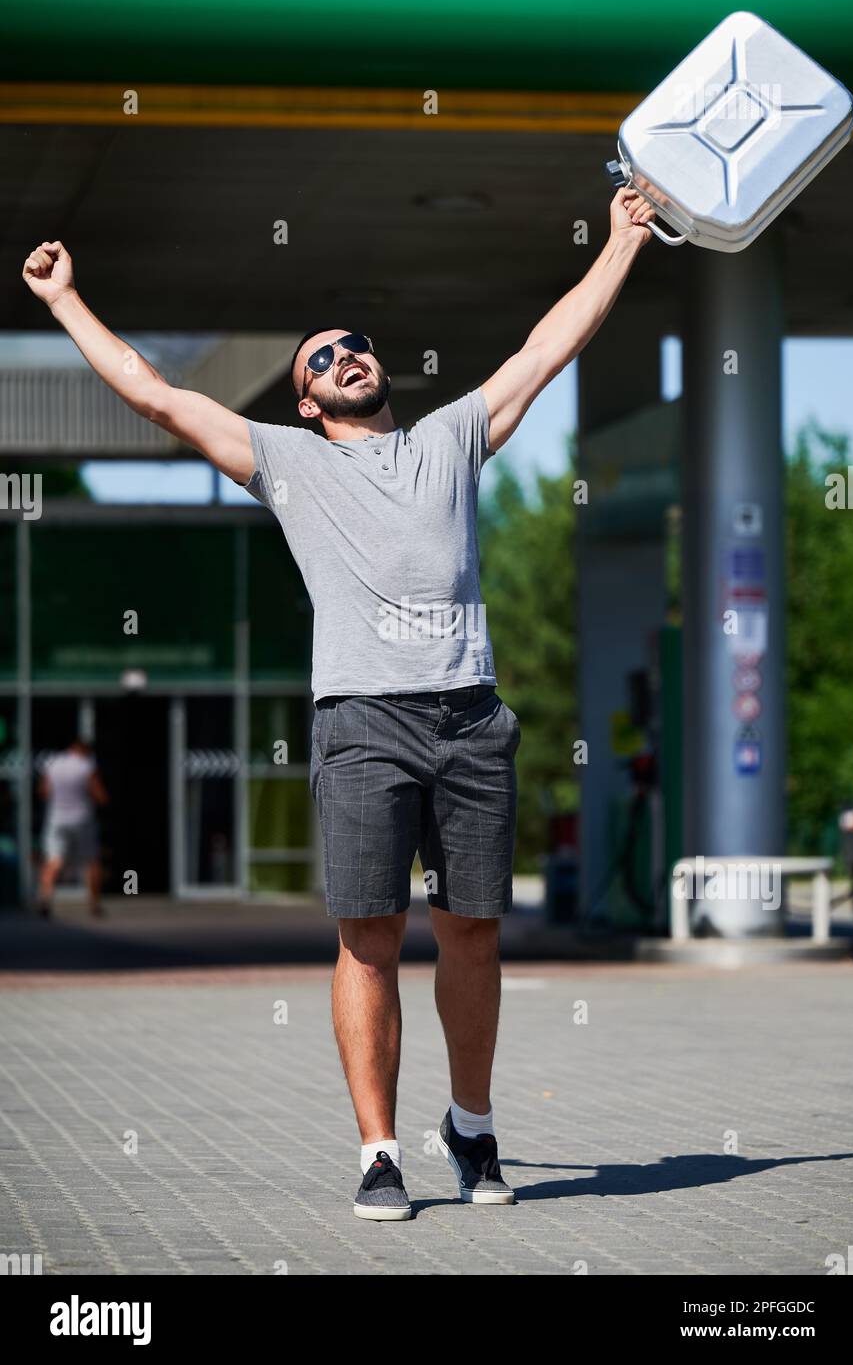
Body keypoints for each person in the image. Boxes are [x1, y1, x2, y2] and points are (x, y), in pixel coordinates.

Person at [22, 185, 655, 1218]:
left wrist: (623, 239)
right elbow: (156, 395)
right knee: (367, 935)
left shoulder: (452, 437)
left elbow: (549, 345)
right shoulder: (288, 461)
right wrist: (65, 303)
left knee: (472, 932)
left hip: (469, 715)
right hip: (363, 722)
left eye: (353, 344)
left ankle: (473, 1125)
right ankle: (376, 1151)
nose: (343, 357)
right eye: (319, 358)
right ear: (305, 399)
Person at [37, 737, 109, 919]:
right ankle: (94, 905)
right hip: (82, 819)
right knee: (91, 861)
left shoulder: (53, 764)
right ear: (84, 751)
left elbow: (44, 792)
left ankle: (46, 899)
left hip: (57, 819)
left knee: (53, 860)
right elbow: (100, 795)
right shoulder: (86, 767)